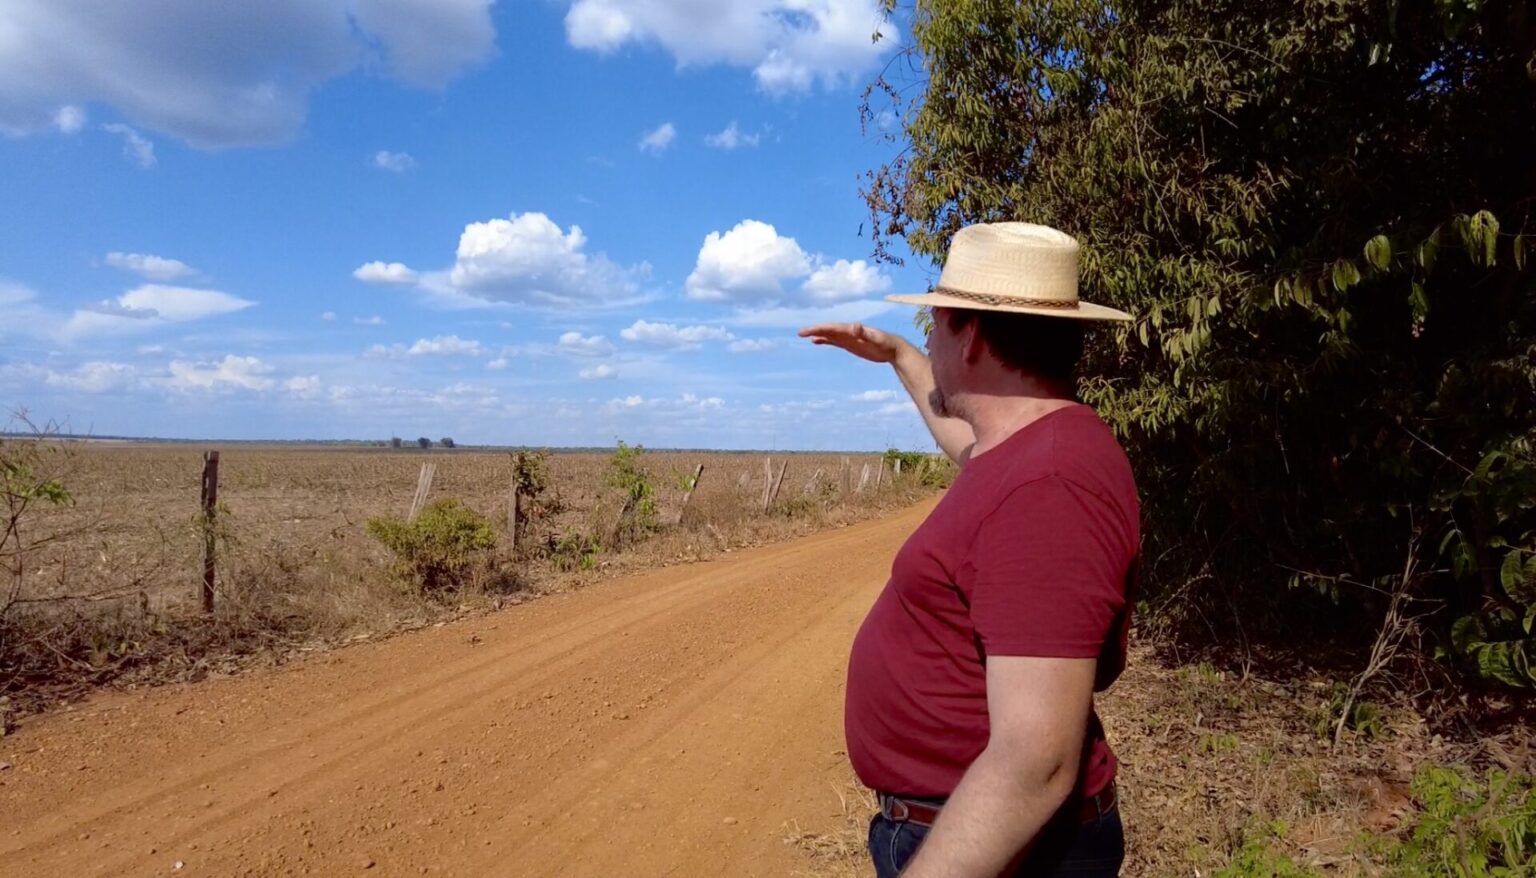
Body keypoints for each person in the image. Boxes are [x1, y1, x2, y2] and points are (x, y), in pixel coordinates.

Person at [799, 223, 1140, 877]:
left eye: (934, 324)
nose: (930, 337)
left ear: (972, 335)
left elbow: (1035, 761)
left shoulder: (1049, 484)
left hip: (1000, 849)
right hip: (972, 830)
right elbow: (965, 440)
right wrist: (899, 354)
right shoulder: (1028, 452)